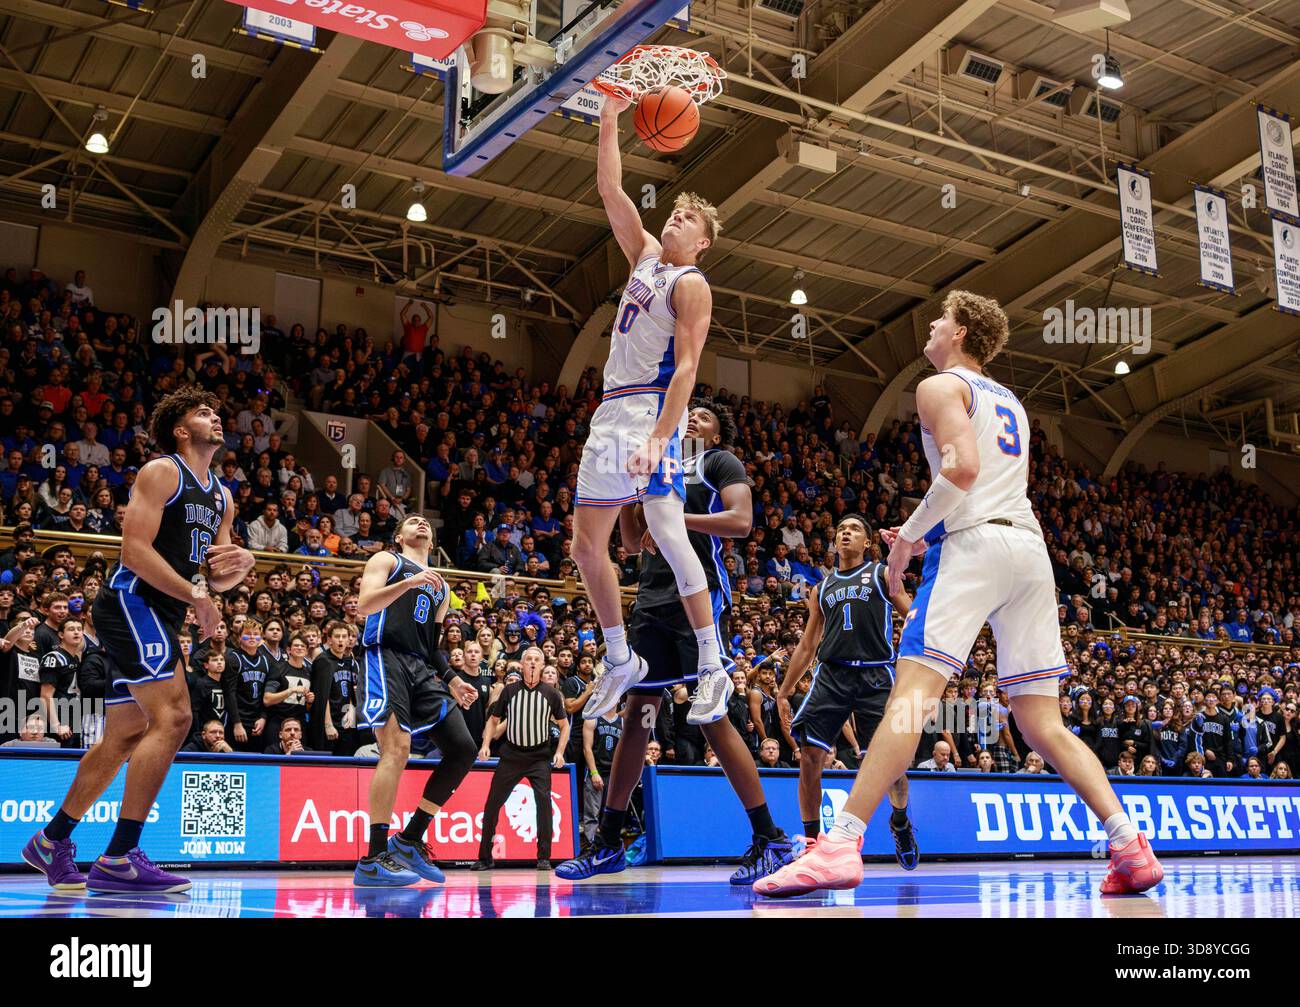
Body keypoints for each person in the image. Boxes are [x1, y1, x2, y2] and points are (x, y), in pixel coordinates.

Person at [757, 292, 1162, 898]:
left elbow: (962, 470)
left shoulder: (938, 385)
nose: (932, 325)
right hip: (1027, 551)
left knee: (913, 696)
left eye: (941, 319)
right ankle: (1130, 845)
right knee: (1042, 721)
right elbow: (982, 486)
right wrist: (924, 532)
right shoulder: (1014, 404)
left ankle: (839, 845)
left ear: (962, 331)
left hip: (974, 550)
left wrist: (904, 544)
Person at [24, 386, 255, 894]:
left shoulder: (222, 495)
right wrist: (199, 596)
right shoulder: (162, 471)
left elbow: (212, 575)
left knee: (126, 735)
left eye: (216, 412)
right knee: (175, 716)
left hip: (164, 612)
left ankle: (52, 840)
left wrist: (239, 567)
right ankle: (120, 856)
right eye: (202, 412)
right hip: (132, 602)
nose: (215, 417)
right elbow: (133, 553)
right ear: (179, 429)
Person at [558, 400, 793, 884]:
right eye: (691, 412)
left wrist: (675, 522)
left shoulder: (717, 462)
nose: (692, 418)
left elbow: (741, 521)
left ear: (717, 434)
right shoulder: (657, 462)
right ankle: (607, 842)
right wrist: (627, 491)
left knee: (711, 717)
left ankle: (770, 837)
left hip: (698, 597)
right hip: (651, 601)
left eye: (703, 417)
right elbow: (628, 542)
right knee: (638, 718)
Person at [572, 95, 728, 726]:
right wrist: (610, 114)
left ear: (704, 242)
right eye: (676, 210)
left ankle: (715, 663)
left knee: (666, 530)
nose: (676, 219)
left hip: (646, 415)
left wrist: (662, 437)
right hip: (608, 414)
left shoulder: (692, 284)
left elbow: (687, 369)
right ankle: (619, 659)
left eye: (689, 218)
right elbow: (610, 187)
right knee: (586, 548)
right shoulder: (642, 256)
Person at [776, 512, 917, 868]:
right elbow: (808, 645)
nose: (845, 534)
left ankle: (899, 822)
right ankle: (810, 844)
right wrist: (784, 690)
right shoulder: (820, 589)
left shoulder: (883, 573)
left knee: (893, 767)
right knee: (809, 756)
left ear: (868, 542)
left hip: (876, 676)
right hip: (832, 676)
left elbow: (913, 616)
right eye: (840, 529)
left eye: (854, 529)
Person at [353, 514, 479, 887]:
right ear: (399, 535)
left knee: (463, 748)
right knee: (398, 748)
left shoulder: (441, 586)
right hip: (385, 656)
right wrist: (408, 581)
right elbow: (364, 605)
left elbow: (432, 647)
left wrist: (454, 680)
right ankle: (373, 858)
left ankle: (408, 839)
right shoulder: (387, 561)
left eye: (426, 521)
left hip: (421, 667)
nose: (421, 523)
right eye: (412, 520)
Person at [473, 646, 569, 870]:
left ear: (543, 665)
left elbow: (564, 726)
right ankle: (484, 857)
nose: (533, 663)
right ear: (522, 664)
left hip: (539, 757)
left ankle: (544, 857)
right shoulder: (510, 690)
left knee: (544, 804)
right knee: (492, 804)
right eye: (529, 659)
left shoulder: (552, 694)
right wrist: (486, 745)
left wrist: (560, 752)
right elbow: (493, 720)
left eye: (537, 660)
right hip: (511, 756)